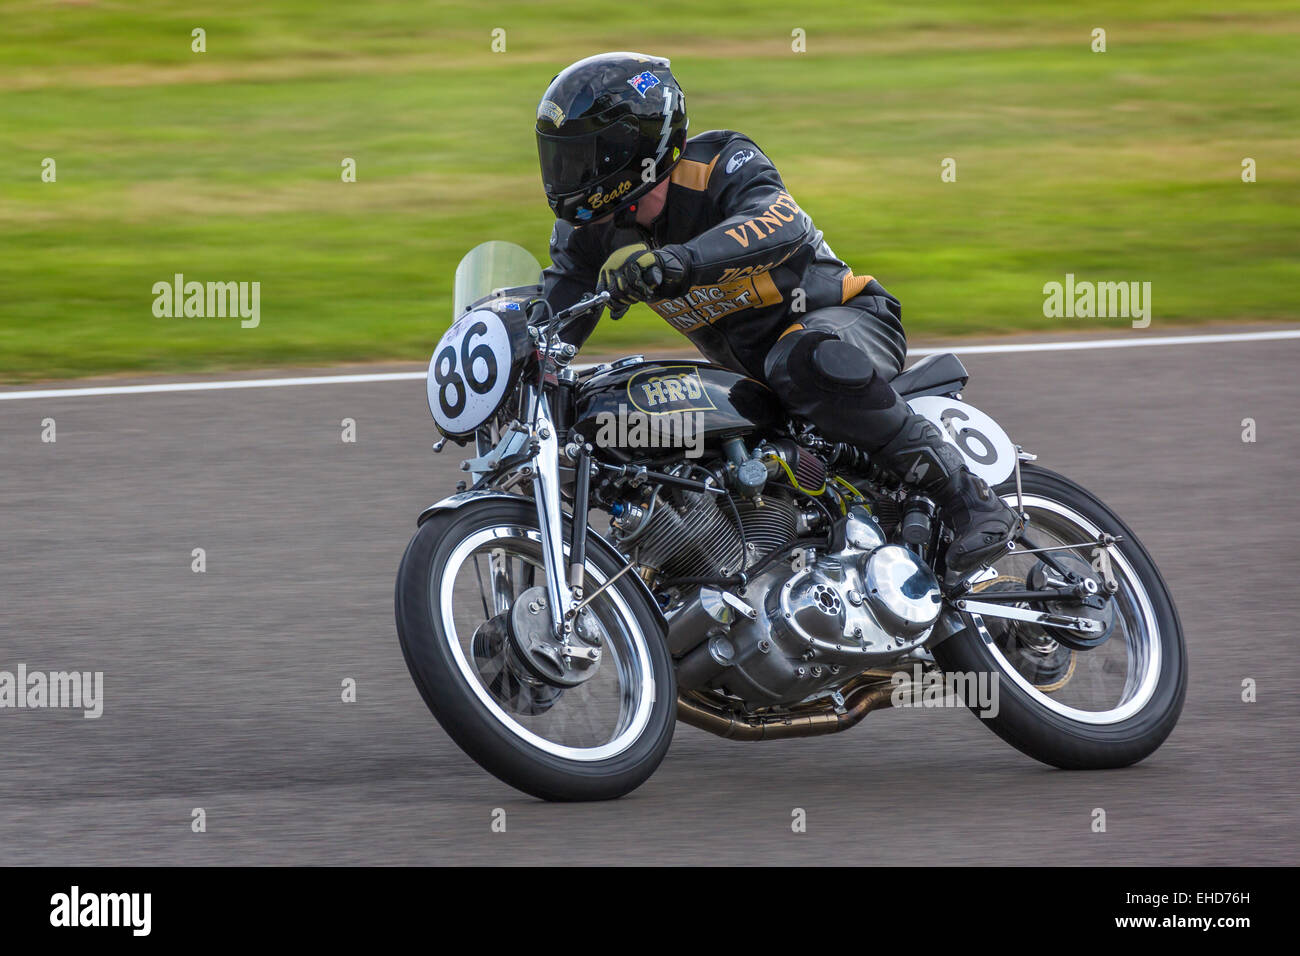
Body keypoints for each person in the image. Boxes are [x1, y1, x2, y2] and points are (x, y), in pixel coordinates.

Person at [536, 52, 1018, 572]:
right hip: (757, 385)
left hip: (847, 325)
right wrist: (518, 349)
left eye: (585, 157)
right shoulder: (591, 231)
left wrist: (681, 262)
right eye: (560, 158)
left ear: (631, 146)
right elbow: (555, 311)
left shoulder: (722, 161)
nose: (571, 173)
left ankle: (970, 499)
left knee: (800, 358)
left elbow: (779, 222)